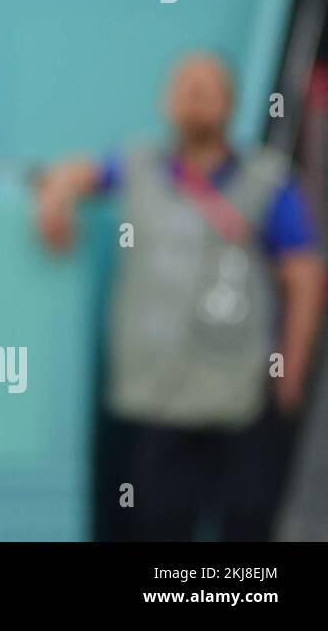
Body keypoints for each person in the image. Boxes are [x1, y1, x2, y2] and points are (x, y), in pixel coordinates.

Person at [35, 51, 324, 540]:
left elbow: (305, 275)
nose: (196, 96)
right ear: (167, 101)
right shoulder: (136, 166)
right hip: (155, 395)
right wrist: (55, 199)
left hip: (238, 392)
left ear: (231, 104)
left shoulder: (266, 182)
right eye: (186, 86)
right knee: (154, 522)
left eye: (208, 87)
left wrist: (291, 372)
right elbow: (72, 174)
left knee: (245, 521)